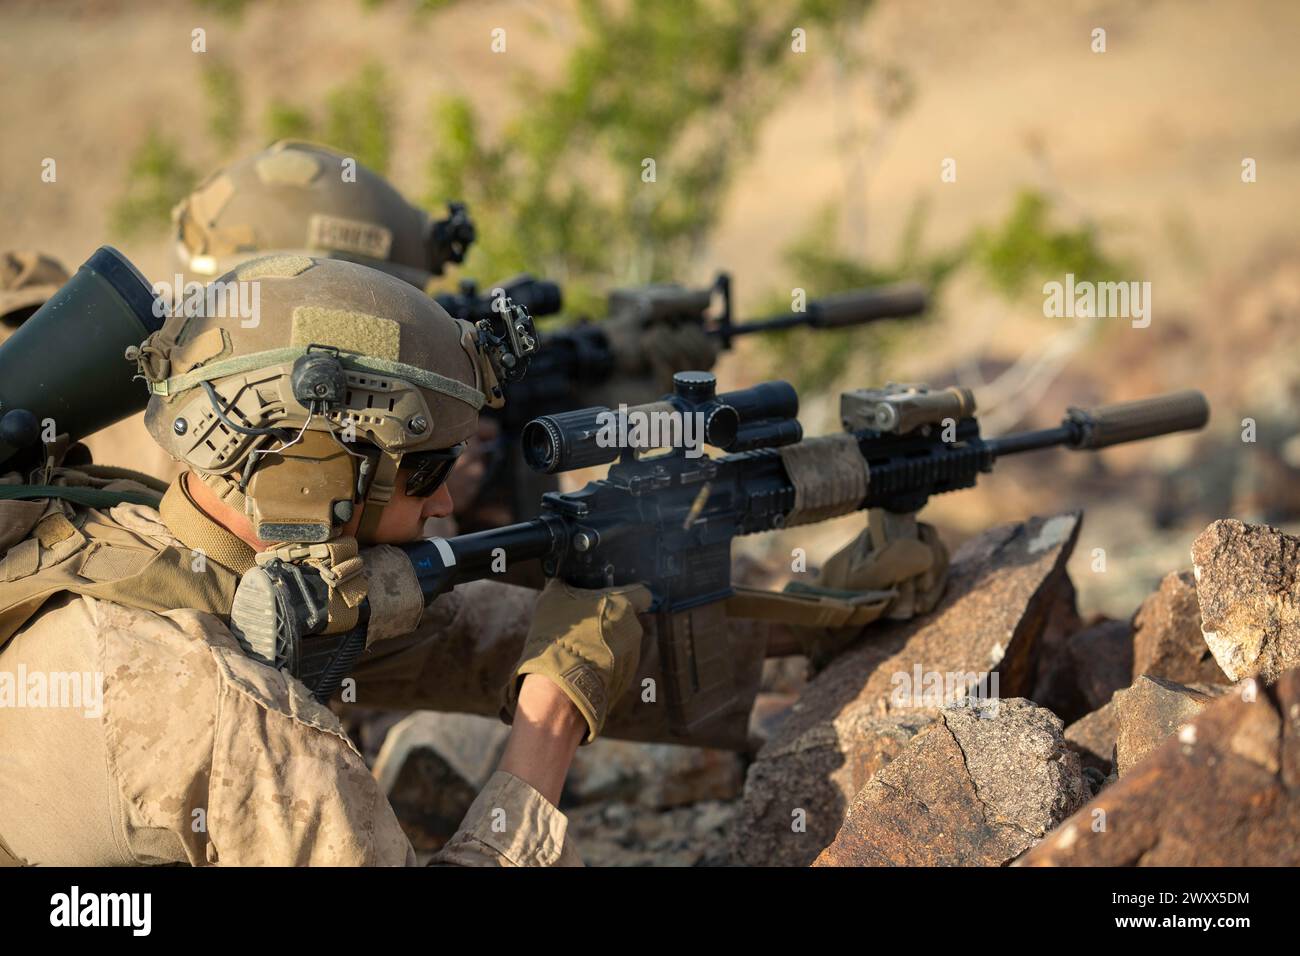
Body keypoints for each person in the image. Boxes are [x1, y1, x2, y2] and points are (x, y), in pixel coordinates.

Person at [0, 255, 648, 866]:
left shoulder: (109, 528)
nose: (447, 500)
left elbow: (448, 629)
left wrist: (605, 616)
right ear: (313, 466)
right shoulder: (232, 713)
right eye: (429, 469)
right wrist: (551, 725)